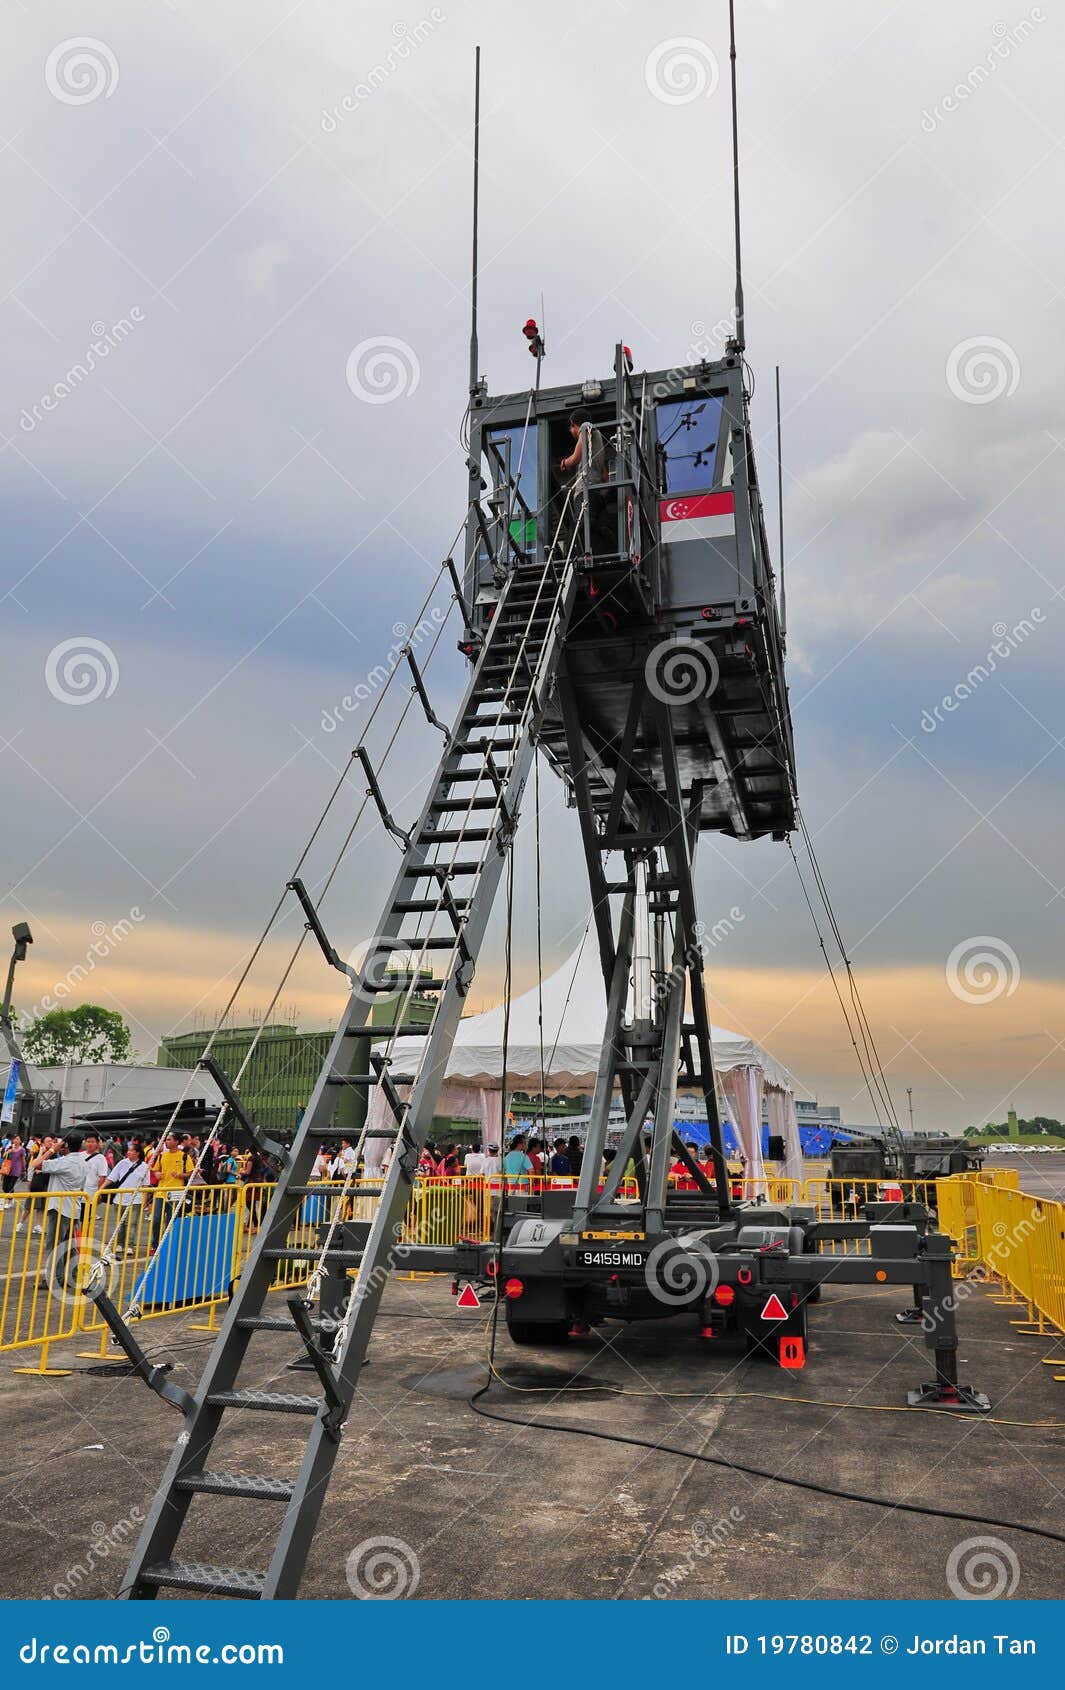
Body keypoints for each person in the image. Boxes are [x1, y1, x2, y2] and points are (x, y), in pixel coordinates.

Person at [31, 1133, 89, 1271]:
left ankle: (54, 1277)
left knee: (54, 1245)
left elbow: (36, 1164)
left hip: (59, 1208)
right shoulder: (82, 1161)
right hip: (74, 1207)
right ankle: (72, 1275)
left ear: (65, 1146)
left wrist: (51, 1150)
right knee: (70, 1245)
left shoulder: (64, 1162)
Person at [102, 1143, 152, 1256]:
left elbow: (146, 1185)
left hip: (136, 1199)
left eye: (131, 1150)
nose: (128, 1152)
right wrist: (101, 1188)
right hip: (119, 1198)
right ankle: (120, 1243)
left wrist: (144, 1201)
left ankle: (129, 1245)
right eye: (128, 1150)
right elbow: (112, 1178)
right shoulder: (122, 1163)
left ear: (137, 1153)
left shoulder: (144, 1166)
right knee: (120, 1222)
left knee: (132, 1223)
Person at [146, 1132, 193, 1252]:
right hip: (161, 1192)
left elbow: (191, 1172)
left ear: (176, 1142)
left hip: (176, 1193)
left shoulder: (184, 1156)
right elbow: (155, 1170)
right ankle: (155, 1244)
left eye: (169, 1140)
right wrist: (157, 1174)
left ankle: (167, 1244)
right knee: (156, 1219)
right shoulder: (162, 1156)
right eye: (166, 1140)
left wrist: (180, 1175)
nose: (166, 1142)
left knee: (171, 1220)